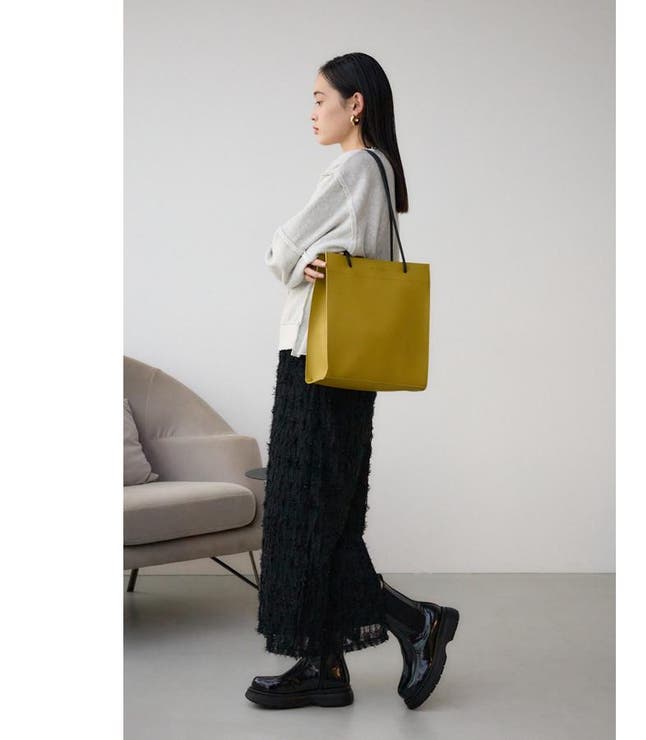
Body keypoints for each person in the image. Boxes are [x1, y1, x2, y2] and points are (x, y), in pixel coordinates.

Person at [245, 52, 460, 711]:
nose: (312, 112)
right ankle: (326, 665)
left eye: (320, 98)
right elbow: (340, 254)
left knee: (304, 515)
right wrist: (317, 258)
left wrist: (300, 258)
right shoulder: (380, 171)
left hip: (317, 363)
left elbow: (279, 249)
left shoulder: (352, 169)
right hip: (344, 367)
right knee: (325, 519)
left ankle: (414, 623)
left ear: (354, 104)